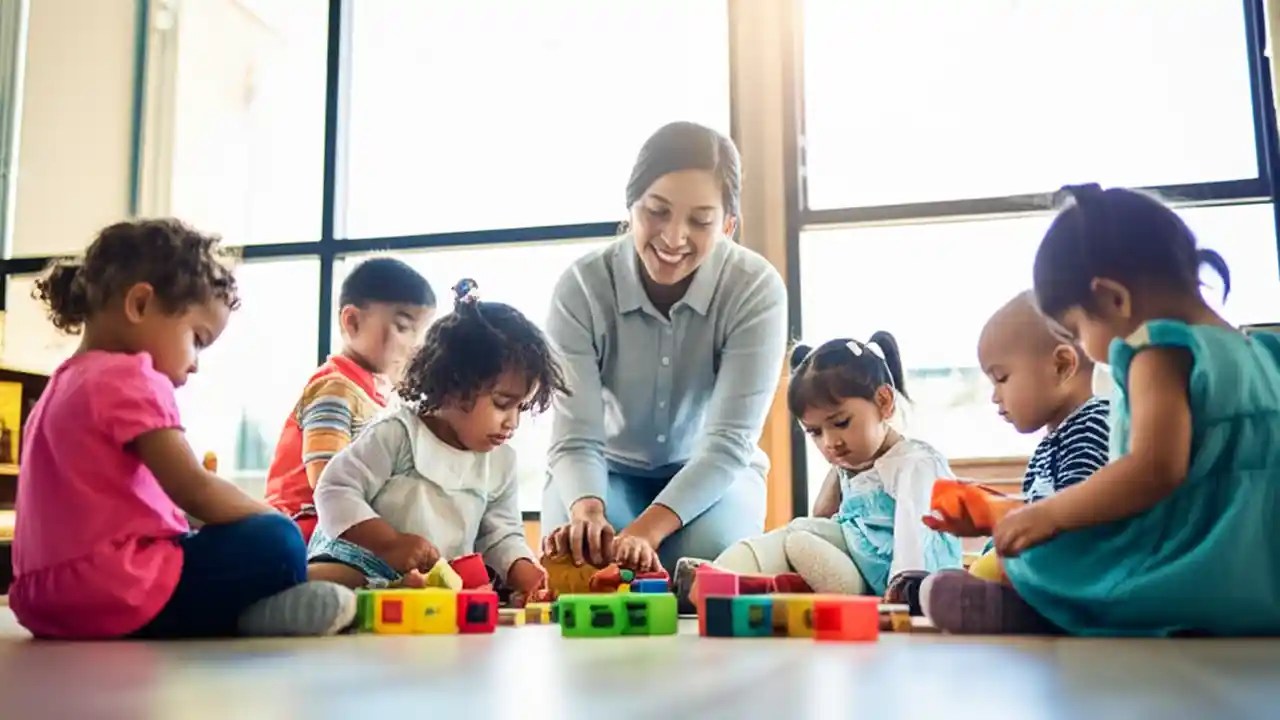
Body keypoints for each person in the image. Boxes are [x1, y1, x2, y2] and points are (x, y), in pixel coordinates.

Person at [923, 184, 1280, 636]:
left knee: (1039, 553)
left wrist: (1047, 515)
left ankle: (1034, 612)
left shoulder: (1159, 350)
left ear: (1113, 298)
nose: (1085, 346)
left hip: (1196, 572)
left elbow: (1153, 469)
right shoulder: (1268, 354)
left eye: (1076, 326)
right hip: (1266, 578)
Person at [10, 219, 354, 639]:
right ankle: (249, 617)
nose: (195, 362)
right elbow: (194, 488)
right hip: (114, 589)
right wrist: (273, 516)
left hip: (44, 602)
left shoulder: (60, 384)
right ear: (139, 304)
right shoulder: (132, 376)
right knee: (276, 540)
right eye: (197, 339)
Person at [540, 121, 788, 572]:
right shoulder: (581, 286)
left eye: (700, 221)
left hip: (712, 474)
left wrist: (645, 532)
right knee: (582, 562)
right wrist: (588, 513)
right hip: (604, 474)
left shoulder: (756, 289)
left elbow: (728, 444)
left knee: (701, 566)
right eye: (657, 211)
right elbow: (576, 437)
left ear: (728, 225)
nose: (674, 238)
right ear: (631, 207)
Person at [307, 280, 560, 602]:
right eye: (501, 403)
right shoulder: (398, 433)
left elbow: (500, 534)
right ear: (454, 385)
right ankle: (311, 599)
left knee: (476, 592)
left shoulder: (500, 462)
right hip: (364, 560)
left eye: (520, 407)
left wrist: (524, 569)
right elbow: (334, 488)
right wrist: (390, 543)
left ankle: (378, 598)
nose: (512, 421)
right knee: (335, 578)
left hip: (435, 580)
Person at [886, 291, 1111, 613]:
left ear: (1062, 366)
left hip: (1082, 580)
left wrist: (999, 522)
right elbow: (1040, 516)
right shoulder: (1051, 444)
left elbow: (1072, 525)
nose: (994, 397)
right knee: (966, 575)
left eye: (1002, 378)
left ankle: (984, 599)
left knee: (961, 583)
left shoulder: (1093, 424)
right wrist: (989, 520)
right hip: (1051, 573)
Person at [692, 334, 961, 599]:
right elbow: (822, 515)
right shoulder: (856, 464)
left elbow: (915, 533)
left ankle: (715, 580)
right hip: (859, 565)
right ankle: (713, 580)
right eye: (815, 432)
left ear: (883, 401)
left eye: (841, 423)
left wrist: (905, 591)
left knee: (798, 536)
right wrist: (839, 469)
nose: (830, 442)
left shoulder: (913, 462)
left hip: (899, 582)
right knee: (796, 537)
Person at [265, 257, 435, 543]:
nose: (414, 346)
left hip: (340, 524)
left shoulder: (380, 396)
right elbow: (327, 484)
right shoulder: (335, 388)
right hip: (305, 525)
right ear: (352, 322)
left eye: (421, 333)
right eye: (404, 327)